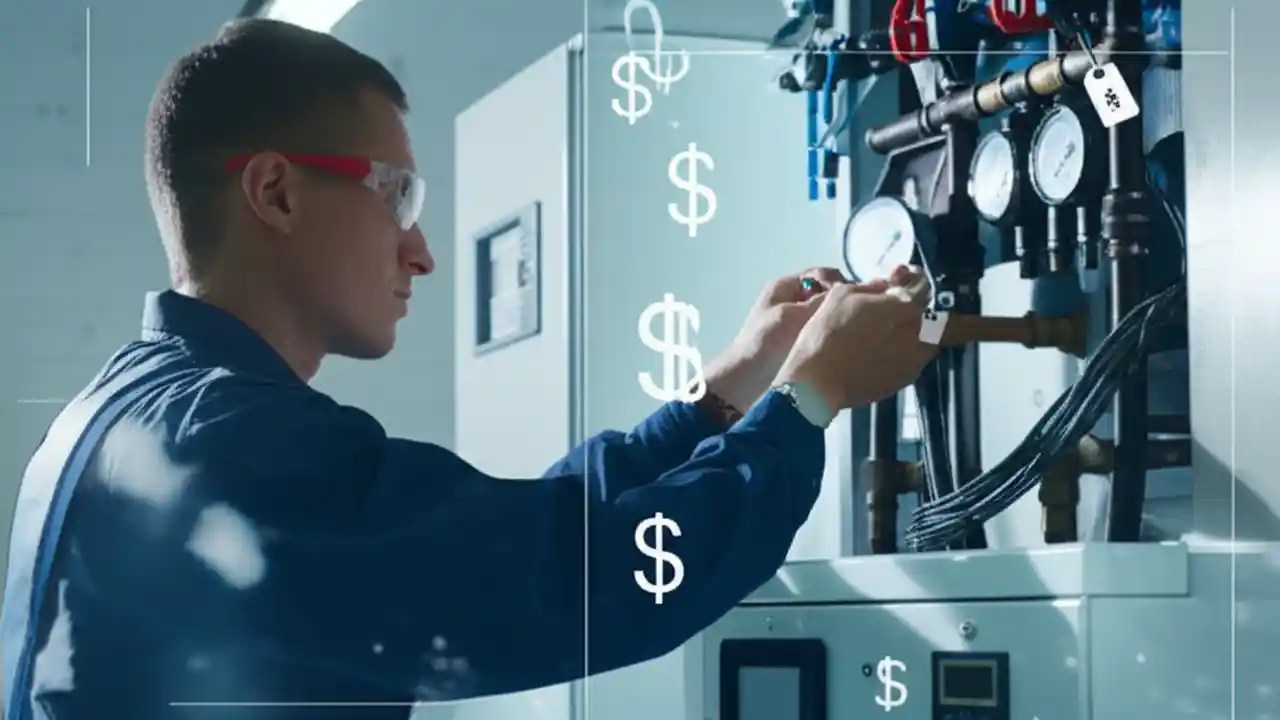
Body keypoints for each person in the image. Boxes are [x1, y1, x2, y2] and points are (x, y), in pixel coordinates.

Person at [0, 18, 937, 720]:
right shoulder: (232, 448)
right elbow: (587, 582)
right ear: (276, 191)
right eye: (396, 195)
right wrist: (808, 398)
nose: (421, 252)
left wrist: (723, 393)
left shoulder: (124, 415)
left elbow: (509, 538)